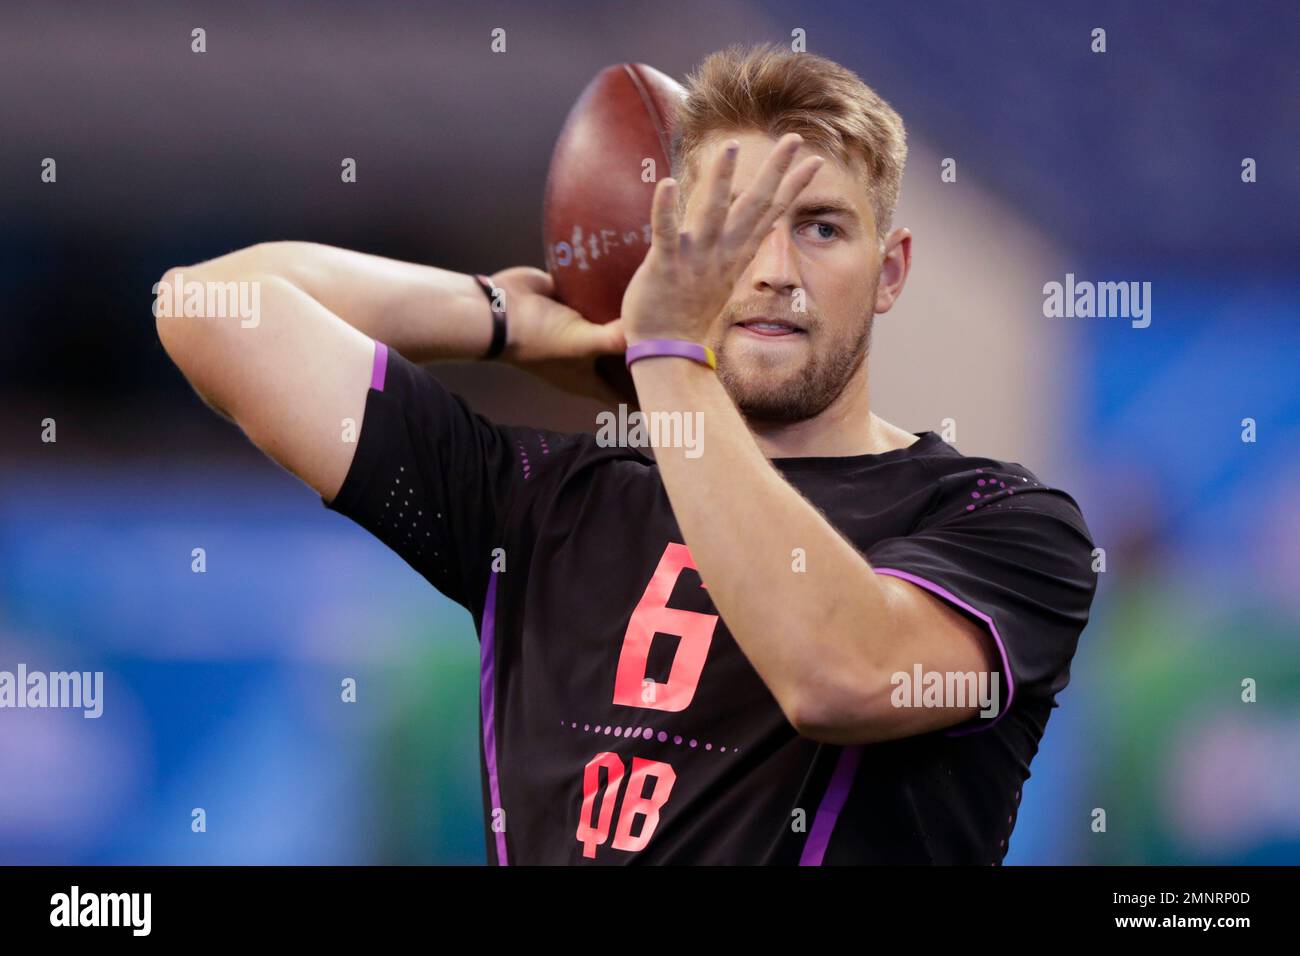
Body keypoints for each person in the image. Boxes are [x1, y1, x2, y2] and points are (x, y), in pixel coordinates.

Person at [156, 42, 1098, 865]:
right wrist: (507, 320)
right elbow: (208, 310)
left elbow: (838, 675)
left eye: (820, 228)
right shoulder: (543, 500)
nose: (772, 271)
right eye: (728, 228)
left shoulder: (1000, 521)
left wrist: (670, 357)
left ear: (889, 270)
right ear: (666, 244)